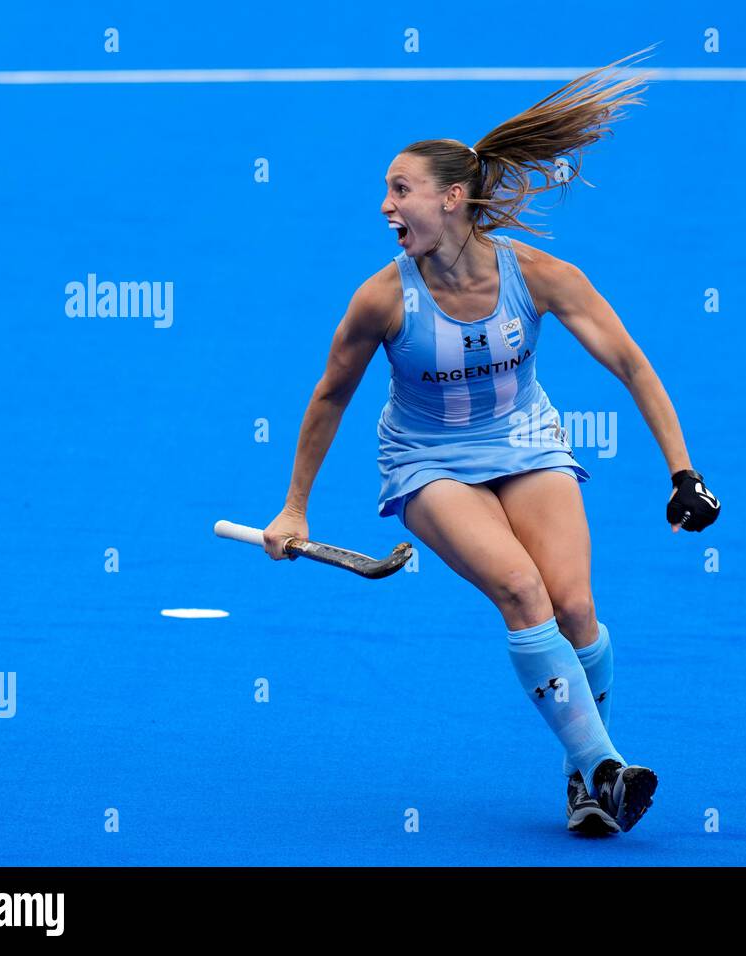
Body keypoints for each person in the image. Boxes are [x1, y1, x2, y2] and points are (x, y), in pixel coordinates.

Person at [262, 48, 721, 836]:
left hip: (528, 443)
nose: (384, 206)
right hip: (427, 460)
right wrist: (294, 507)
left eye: (399, 190)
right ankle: (605, 765)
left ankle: (587, 781)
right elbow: (329, 395)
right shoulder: (382, 299)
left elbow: (631, 365)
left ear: (452, 199)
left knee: (575, 607)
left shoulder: (538, 275)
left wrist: (683, 473)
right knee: (520, 590)